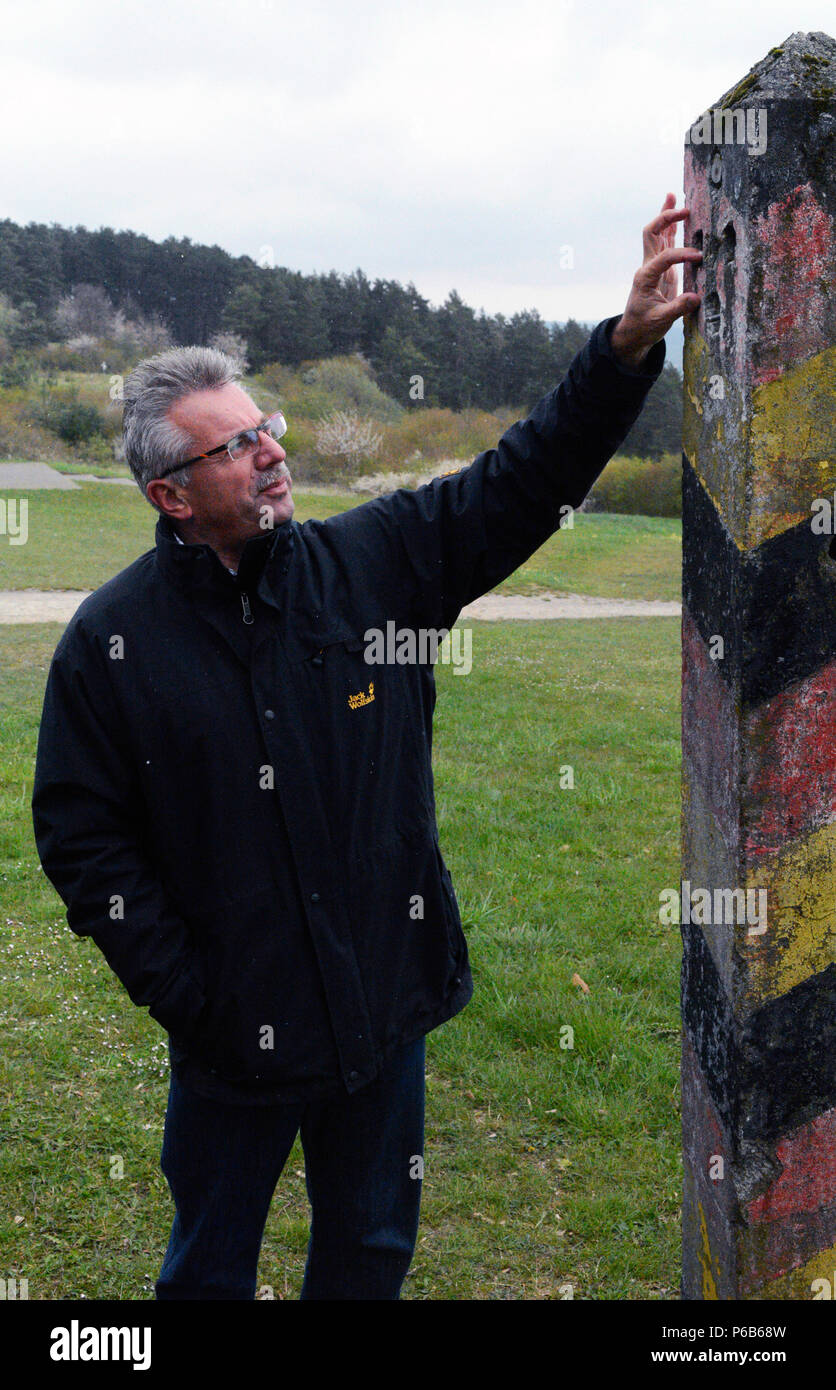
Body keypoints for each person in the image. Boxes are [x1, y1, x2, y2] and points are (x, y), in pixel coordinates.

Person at [31, 196, 701, 1300]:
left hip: (384, 1014)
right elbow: (82, 840)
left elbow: (523, 478)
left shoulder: (373, 565)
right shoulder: (111, 642)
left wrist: (624, 349)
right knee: (207, 1270)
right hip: (233, 1037)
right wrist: (190, 994)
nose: (269, 453)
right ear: (171, 493)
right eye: (233, 445)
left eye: (265, 427)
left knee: (371, 1255)